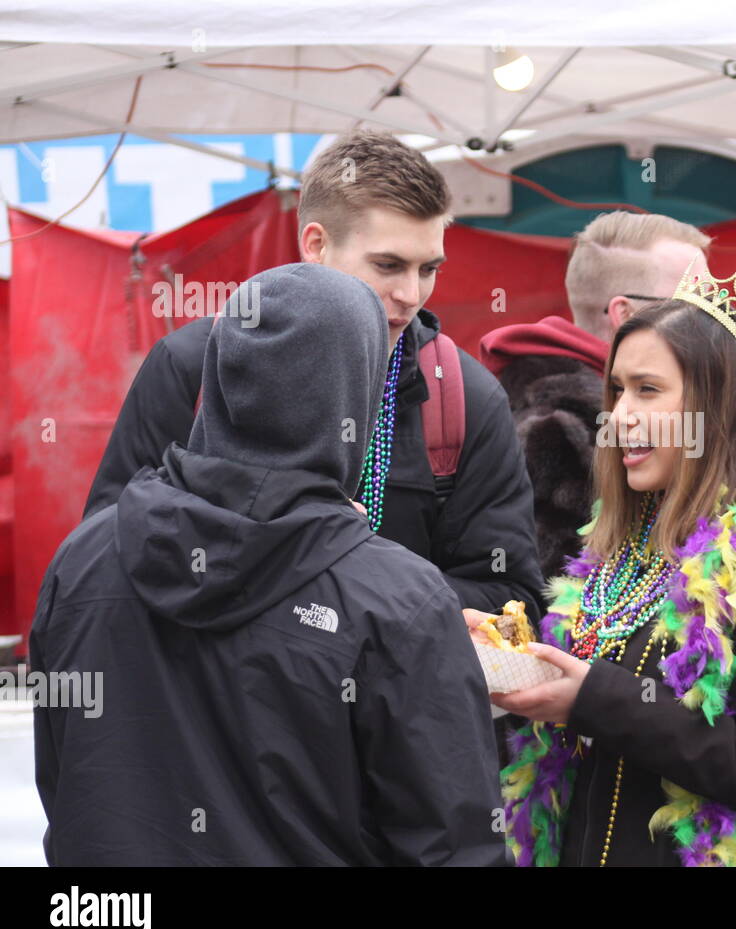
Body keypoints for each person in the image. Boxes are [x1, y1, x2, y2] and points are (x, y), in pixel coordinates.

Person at [30, 264, 509, 866]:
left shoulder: (86, 556)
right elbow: (454, 849)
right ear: (354, 393)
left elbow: (68, 790)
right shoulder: (396, 602)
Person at [477, 257, 736, 867]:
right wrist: (515, 664)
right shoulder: (617, 552)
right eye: (617, 390)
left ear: (716, 407)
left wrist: (591, 700)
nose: (621, 414)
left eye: (648, 390)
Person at [82, 130, 545, 621]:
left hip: (375, 695)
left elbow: (511, 596)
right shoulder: (191, 364)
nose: (411, 295)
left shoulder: (460, 395)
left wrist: (354, 586)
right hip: (212, 691)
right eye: (388, 265)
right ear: (316, 244)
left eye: (428, 268)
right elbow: (108, 553)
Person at [479, 211, 710, 579]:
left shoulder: (546, 400)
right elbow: (563, 599)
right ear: (626, 314)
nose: (714, 323)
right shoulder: (559, 429)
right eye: (695, 304)